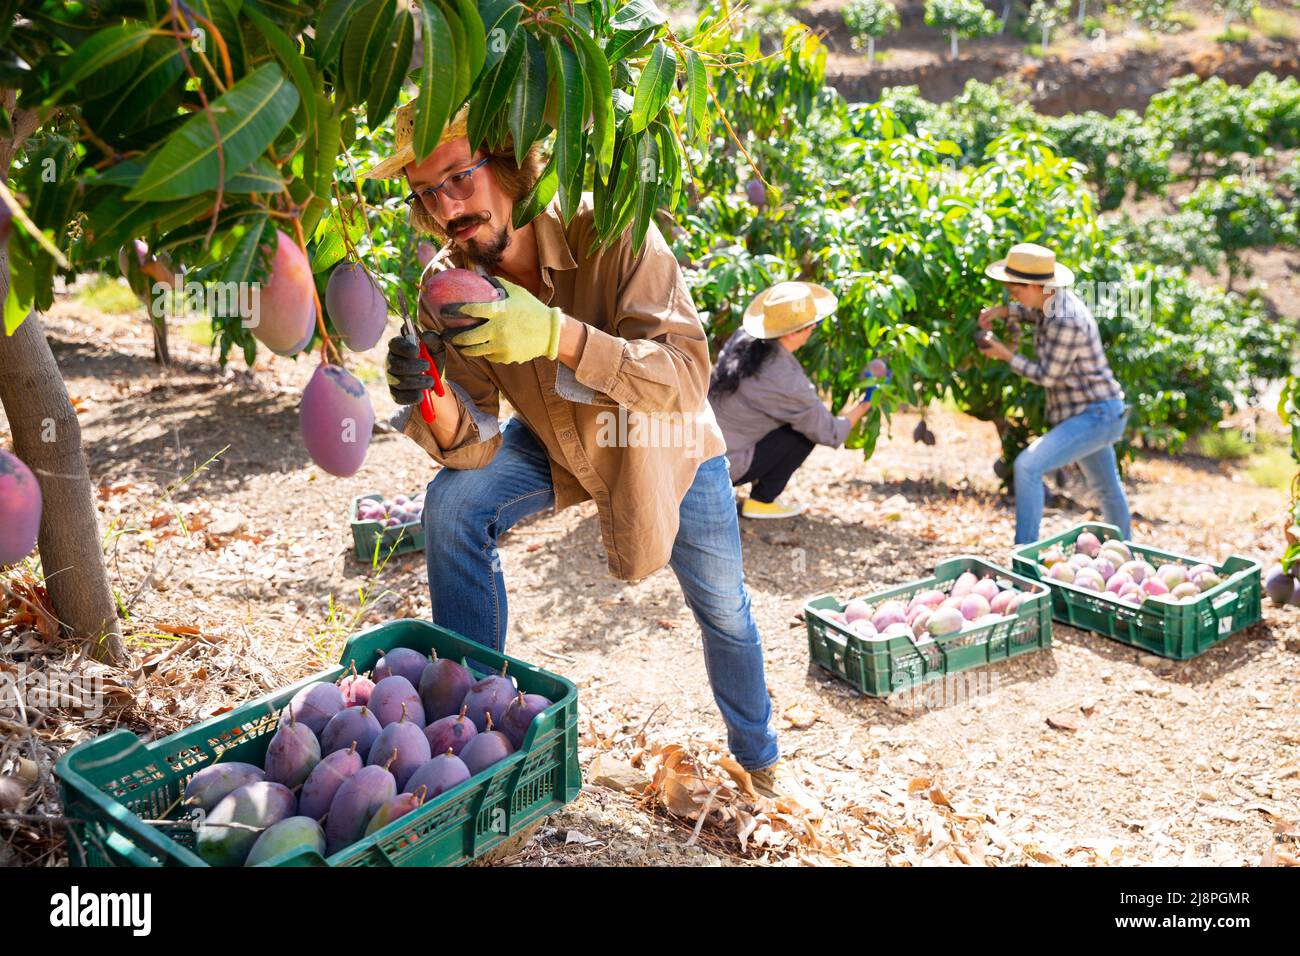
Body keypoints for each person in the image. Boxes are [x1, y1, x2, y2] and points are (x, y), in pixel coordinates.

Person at [364, 102, 822, 816]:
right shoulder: (448, 291)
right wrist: (432, 396)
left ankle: (758, 755)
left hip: (665, 447)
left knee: (724, 611)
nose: (445, 204)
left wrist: (556, 334)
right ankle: (470, 727)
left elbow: (684, 377)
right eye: (426, 192)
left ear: (510, 166)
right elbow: (477, 434)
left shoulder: (613, 231)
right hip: (555, 443)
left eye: (458, 177)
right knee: (452, 505)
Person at [975, 242, 1132, 544]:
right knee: (1107, 490)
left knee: (1027, 466)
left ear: (1037, 286)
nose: (1012, 294)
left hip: (1097, 415)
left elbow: (1048, 376)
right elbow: (1032, 315)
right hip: (1093, 412)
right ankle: (1124, 552)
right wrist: (1005, 312)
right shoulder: (1050, 305)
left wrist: (1005, 355)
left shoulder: (1065, 318)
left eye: (1016, 291)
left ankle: (1024, 556)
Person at [709, 282, 873, 519]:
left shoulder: (744, 338)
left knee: (799, 421)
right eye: (809, 325)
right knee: (805, 433)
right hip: (722, 466)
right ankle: (761, 501)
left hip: (701, 451)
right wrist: (867, 402)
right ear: (792, 333)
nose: (815, 326)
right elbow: (830, 432)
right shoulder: (784, 377)